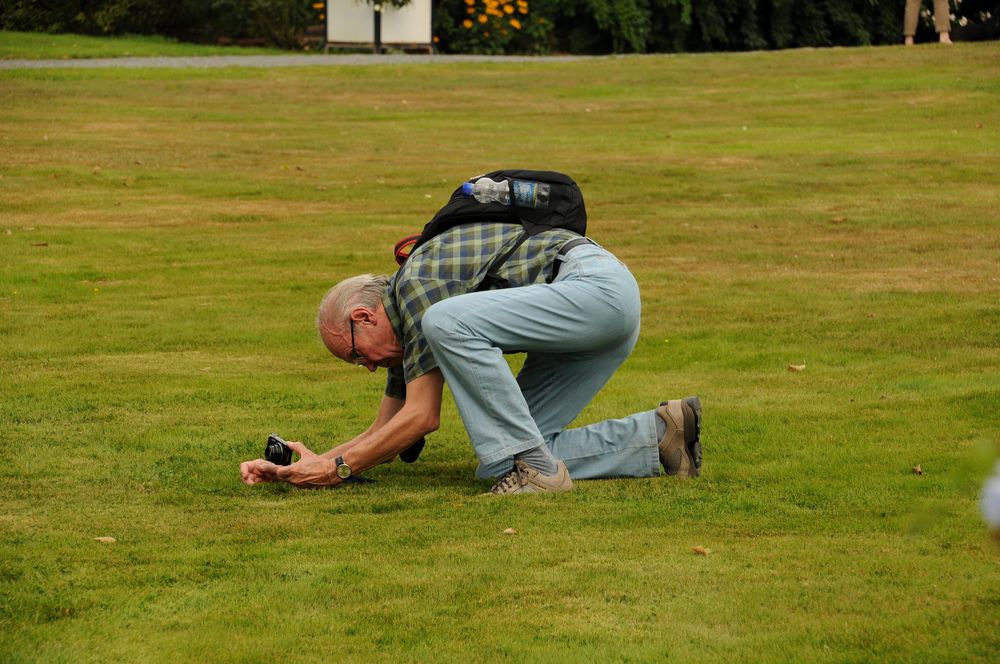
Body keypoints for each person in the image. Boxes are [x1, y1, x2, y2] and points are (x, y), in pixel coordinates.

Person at [239, 220, 702, 495]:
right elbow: (385, 433)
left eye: (357, 356)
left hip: (594, 288)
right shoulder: (406, 321)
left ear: (364, 315)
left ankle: (541, 477)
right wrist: (303, 466)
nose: (369, 368)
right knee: (509, 459)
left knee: (448, 321)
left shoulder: (416, 290)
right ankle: (660, 435)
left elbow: (421, 418)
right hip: (599, 314)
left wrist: (337, 468)